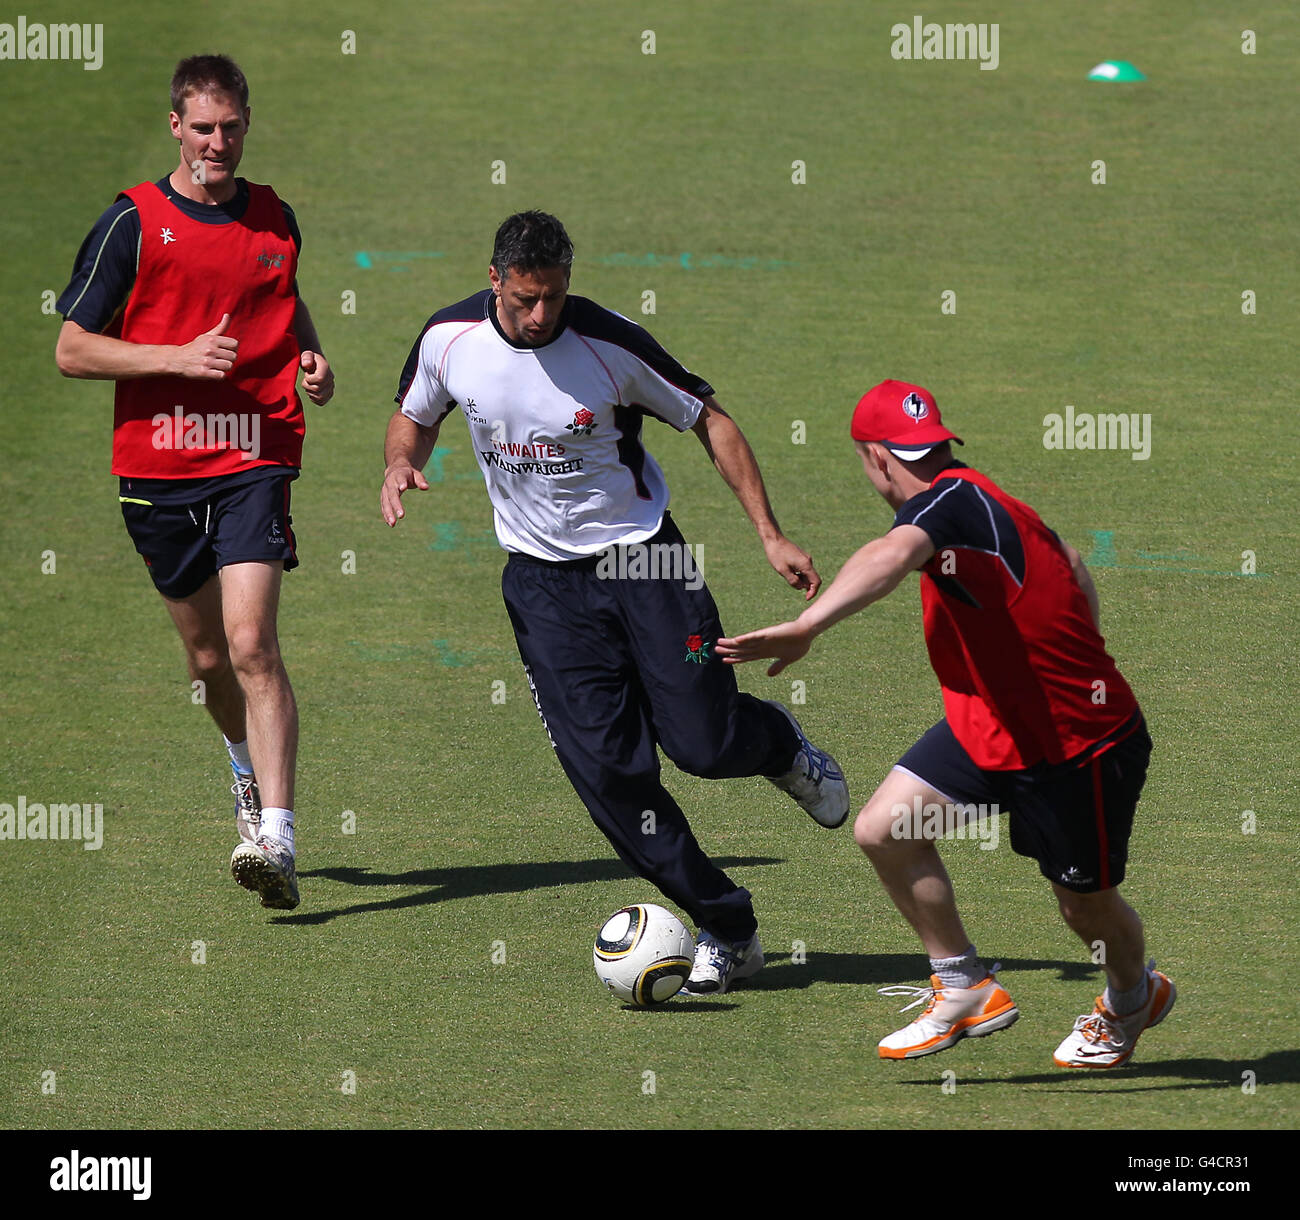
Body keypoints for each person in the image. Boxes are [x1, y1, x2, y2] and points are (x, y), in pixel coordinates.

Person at [380, 210, 848, 994]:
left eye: (555, 298)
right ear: (495, 280)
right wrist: (399, 464)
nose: (541, 315)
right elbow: (414, 415)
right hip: (542, 590)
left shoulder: (609, 342)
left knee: (702, 742)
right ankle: (728, 925)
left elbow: (710, 417)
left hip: (651, 565)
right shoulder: (448, 339)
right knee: (608, 777)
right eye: (528, 299)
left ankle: (779, 747)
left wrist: (769, 532)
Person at [716, 379, 1174, 1065]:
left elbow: (893, 554)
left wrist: (809, 623)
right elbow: (1073, 565)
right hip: (991, 728)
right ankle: (963, 986)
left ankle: (1133, 997)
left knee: (1085, 907)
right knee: (884, 830)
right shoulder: (984, 499)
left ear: (873, 458)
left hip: (1077, 747)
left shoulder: (948, 507)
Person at [54, 53, 334, 911]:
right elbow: (71, 348)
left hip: (254, 450)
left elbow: (284, 302)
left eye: (233, 127)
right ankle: (244, 769)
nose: (219, 142)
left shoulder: (273, 216)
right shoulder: (131, 223)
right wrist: (173, 358)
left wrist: (311, 359)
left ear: (248, 122)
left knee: (252, 645)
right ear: (176, 126)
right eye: (203, 128)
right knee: (208, 658)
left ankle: (277, 837)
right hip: (158, 467)